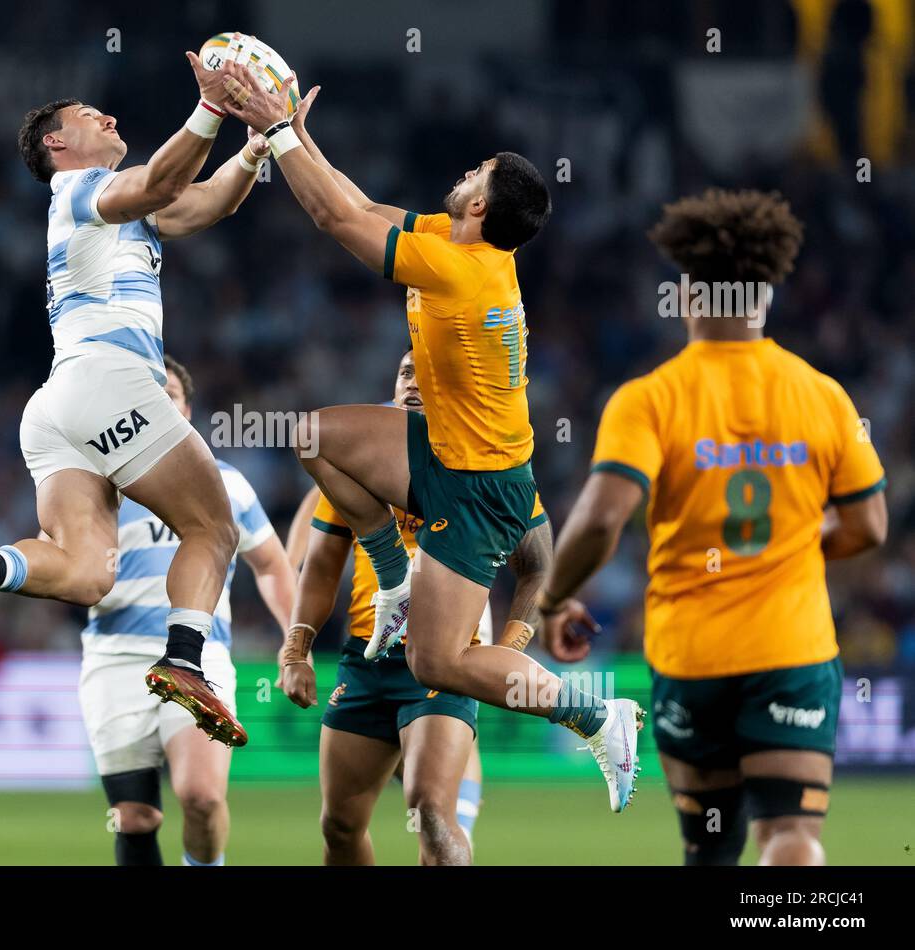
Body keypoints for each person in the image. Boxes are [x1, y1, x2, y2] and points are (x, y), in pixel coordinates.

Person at [217, 69, 642, 809]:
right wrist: (298, 131)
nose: (463, 171)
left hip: (481, 482)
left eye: (475, 172)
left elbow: (334, 223)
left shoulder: (459, 270)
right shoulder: (458, 243)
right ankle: (392, 573)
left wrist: (278, 135)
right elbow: (357, 203)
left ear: (480, 204)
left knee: (437, 661)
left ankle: (598, 715)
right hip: (446, 451)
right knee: (310, 436)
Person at [538, 189, 887, 864]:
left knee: (712, 849)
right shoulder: (823, 395)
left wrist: (552, 600)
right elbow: (869, 526)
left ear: (689, 298)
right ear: (765, 298)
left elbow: (602, 518)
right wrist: (804, 543)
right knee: (790, 834)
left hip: (691, 654)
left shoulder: (649, 398)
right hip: (793, 650)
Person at [0, 54, 271, 747]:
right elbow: (161, 178)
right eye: (90, 115)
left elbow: (203, 200)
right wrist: (209, 107)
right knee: (214, 529)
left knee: (88, 573)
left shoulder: (124, 212)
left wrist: (259, 148)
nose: (109, 118)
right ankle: (183, 661)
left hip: (60, 403)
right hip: (111, 379)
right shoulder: (82, 187)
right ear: (57, 143)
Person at [281, 350, 551, 864]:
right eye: (407, 372)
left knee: (429, 809)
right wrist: (296, 649)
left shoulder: (486, 468)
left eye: (430, 375)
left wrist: (507, 652)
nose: (414, 384)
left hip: (443, 665)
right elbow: (320, 566)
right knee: (338, 827)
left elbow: (539, 566)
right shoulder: (354, 462)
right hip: (365, 664)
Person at [76, 356, 295, 866]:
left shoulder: (228, 484)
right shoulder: (96, 484)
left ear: (186, 409)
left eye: (168, 393)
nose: (159, 402)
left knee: (202, 796)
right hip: (115, 659)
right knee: (135, 818)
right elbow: (59, 557)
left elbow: (271, 565)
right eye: (148, 395)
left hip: (201, 659)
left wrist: (294, 640)